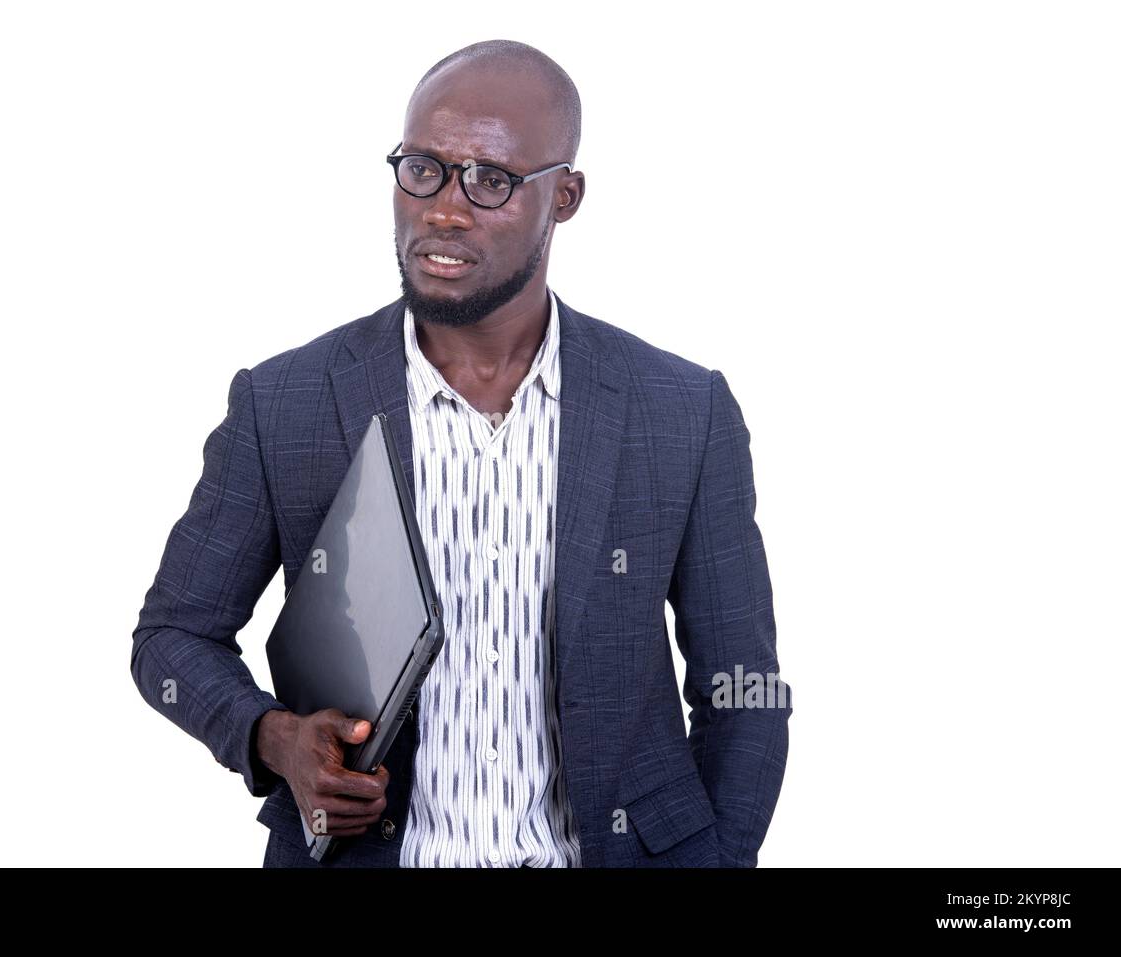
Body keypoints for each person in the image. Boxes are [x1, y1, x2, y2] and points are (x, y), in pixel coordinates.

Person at [130, 39, 791, 868]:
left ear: (566, 198)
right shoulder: (285, 404)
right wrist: (273, 738)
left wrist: (720, 860)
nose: (445, 208)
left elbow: (746, 692)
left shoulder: (681, 413)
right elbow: (170, 639)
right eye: (423, 169)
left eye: (491, 180)